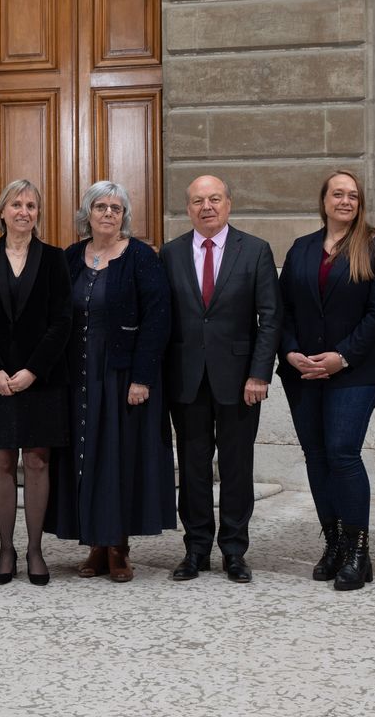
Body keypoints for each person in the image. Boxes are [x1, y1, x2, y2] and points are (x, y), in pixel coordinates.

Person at [277, 169, 375, 592]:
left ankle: (357, 551)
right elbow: (284, 308)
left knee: (342, 453)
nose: (345, 201)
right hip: (302, 371)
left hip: (356, 372)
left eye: (352, 195)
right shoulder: (302, 248)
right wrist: (290, 351)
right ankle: (332, 545)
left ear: (360, 202)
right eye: (337, 194)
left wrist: (341, 357)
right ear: (324, 200)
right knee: (316, 455)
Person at [49, 181, 173, 582]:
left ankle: (118, 546)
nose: (107, 213)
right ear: (87, 214)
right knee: (85, 458)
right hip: (77, 375)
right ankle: (95, 545)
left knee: (118, 458)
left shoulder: (140, 257)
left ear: (124, 216)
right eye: (100, 206)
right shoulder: (70, 257)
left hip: (122, 375)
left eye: (115, 208)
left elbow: (157, 319)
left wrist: (142, 377)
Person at [160, 175, 279, 584]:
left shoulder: (256, 251)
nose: (206, 207)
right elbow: (164, 319)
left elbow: (270, 319)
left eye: (214, 199)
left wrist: (260, 373)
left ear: (229, 202)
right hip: (187, 380)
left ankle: (233, 550)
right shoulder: (171, 253)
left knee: (236, 467)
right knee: (192, 468)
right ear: (188, 207)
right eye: (197, 201)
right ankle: (195, 549)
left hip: (240, 381)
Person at [0, 179, 72, 585]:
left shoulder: (55, 259)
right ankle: (6, 549)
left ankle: (35, 550)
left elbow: (63, 321)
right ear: (2, 212)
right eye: (16, 204)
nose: (24, 211)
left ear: (38, 214)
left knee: (38, 462)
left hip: (40, 380)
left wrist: (33, 371)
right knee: (2, 461)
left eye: (31, 205)